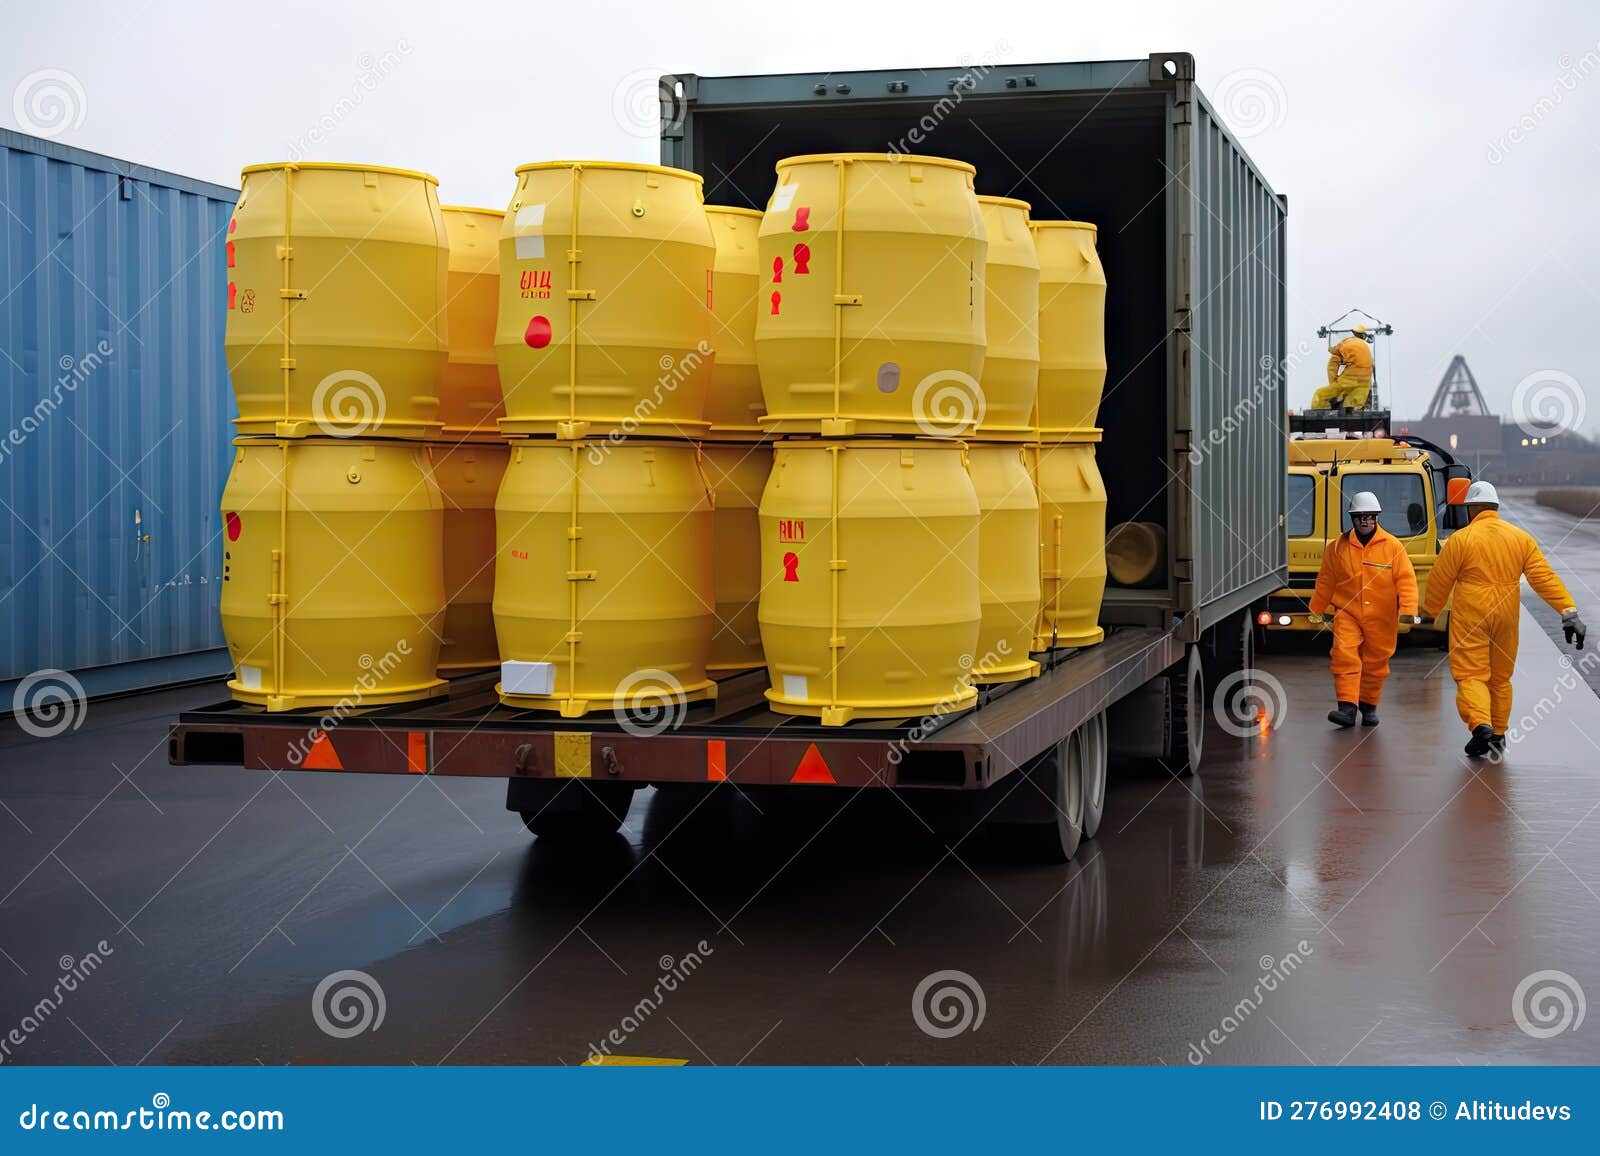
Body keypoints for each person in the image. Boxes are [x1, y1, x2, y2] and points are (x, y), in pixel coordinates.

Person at [1422, 481, 1588, 757]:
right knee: (1500, 678)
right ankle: (1498, 734)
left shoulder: (1460, 540)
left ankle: (1481, 725)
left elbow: (1441, 580)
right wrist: (1568, 611)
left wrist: (1430, 611)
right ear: (1496, 506)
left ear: (1471, 508)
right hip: (1506, 613)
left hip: (1471, 614)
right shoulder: (1520, 538)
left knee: (1471, 674)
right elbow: (1542, 577)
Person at [1307, 491, 1419, 727]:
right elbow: (1327, 579)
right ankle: (1347, 708)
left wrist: (1408, 609)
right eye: (1361, 517)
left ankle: (1368, 707)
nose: (1366, 521)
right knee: (1343, 654)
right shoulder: (1337, 548)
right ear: (1353, 519)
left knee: (1376, 663)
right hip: (1347, 613)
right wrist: (1318, 608)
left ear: (1377, 518)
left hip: (1382, 616)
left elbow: (1406, 580)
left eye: (1370, 516)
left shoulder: (1392, 546)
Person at [1310, 325, 1375, 410]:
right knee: (1351, 406)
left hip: (1348, 382)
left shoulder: (1342, 346)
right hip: (1365, 384)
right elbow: (1371, 367)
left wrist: (1333, 384)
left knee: (1319, 395)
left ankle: (1322, 415)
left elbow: (1332, 368)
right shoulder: (1366, 347)